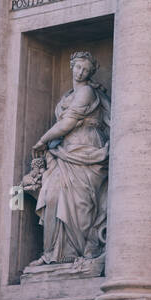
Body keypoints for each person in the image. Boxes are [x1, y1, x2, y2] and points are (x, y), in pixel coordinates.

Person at [27, 50, 108, 266]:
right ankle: (54, 253)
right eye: (78, 67)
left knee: (81, 203)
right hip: (64, 152)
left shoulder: (87, 92)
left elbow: (67, 123)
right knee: (53, 196)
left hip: (86, 147)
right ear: (71, 66)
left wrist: (42, 141)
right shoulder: (67, 96)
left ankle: (78, 251)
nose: (80, 72)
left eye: (86, 70)